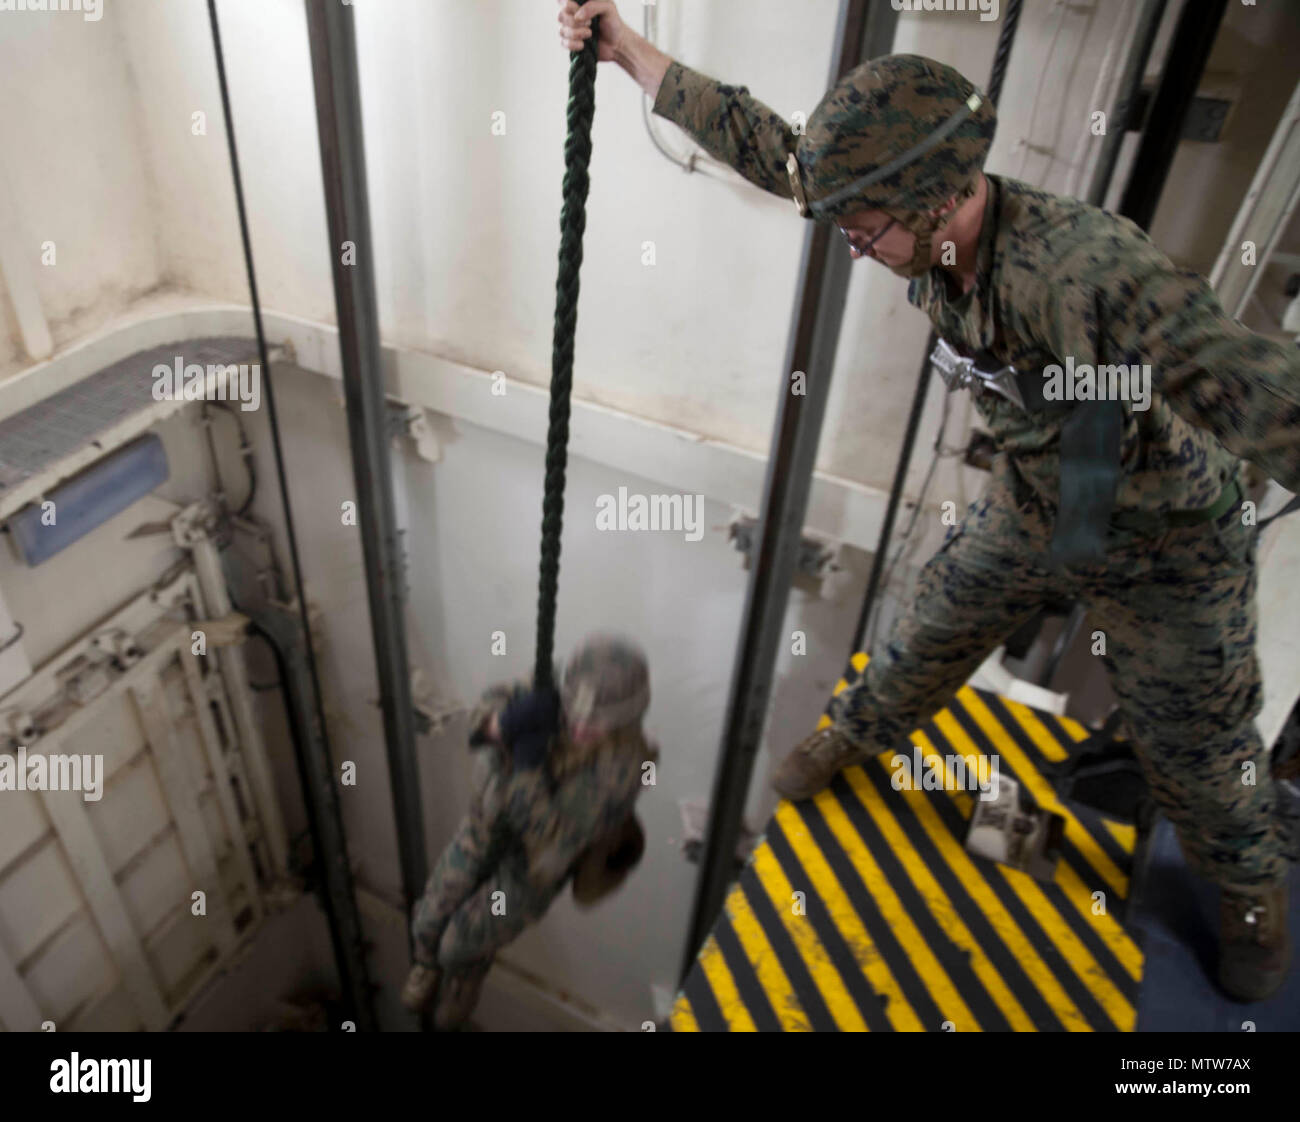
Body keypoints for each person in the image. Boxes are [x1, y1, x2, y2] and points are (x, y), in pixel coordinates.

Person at [557, 1, 1300, 1002]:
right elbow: (769, 148)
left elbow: (1249, 385)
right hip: (1042, 499)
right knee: (922, 639)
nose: (854, 250)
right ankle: (852, 737)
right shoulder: (904, 205)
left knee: (1203, 758)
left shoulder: (1089, 272)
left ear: (938, 202)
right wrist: (625, 49)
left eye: (866, 233)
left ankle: (1251, 893)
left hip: (1165, 544)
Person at [402, 634, 657, 1028]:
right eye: (575, 713)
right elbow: (484, 709)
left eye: (597, 724)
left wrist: (525, 760)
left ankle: (462, 980)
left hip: (530, 870)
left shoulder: (624, 768)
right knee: (428, 918)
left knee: (458, 944)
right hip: (485, 827)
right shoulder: (554, 682)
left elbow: (546, 832)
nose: (581, 727)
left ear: (626, 720)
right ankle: (425, 965)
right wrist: (499, 722)